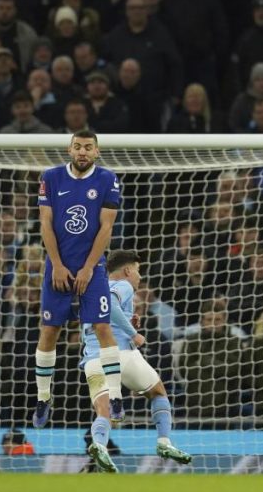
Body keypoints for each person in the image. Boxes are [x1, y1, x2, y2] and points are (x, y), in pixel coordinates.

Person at [35, 130, 122, 473]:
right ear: (69, 149)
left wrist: (88, 268)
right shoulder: (51, 178)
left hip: (94, 268)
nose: (82, 151)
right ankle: (43, 398)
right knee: (49, 332)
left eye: (88, 147)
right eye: (77, 146)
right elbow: (45, 223)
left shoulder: (107, 180)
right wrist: (57, 264)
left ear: (96, 151)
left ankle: (114, 396)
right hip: (57, 266)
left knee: (102, 326)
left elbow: (106, 228)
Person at [78, 250, 190, 464]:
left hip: (92, 358)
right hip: (121, 353)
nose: (139, 277)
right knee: (158, 392)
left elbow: (102, 316)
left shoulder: (93, 291)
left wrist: (129, 320)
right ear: (128, 270)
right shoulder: (124, 285)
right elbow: (111, 306)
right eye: (138, 271)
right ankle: (164, 442)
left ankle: (100, 445)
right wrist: (133, 333)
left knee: (102, 409)